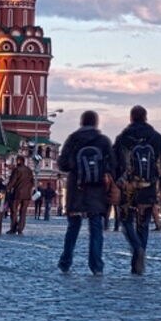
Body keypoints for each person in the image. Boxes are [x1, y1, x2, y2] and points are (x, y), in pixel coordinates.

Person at [57, 110, 114, 275]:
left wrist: (76, 168)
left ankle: (65, 261)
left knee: (73, 227)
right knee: (96, 229)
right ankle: (96, 266)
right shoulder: (103, 141)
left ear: (82, 122)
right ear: (96, 123)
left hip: (77, 189)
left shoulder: (73, 139)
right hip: (97, 191)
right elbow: (113, 164)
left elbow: (63, 164)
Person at [113, 105, 161, 275]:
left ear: (131, 118)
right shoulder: (156, 137)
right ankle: (140, 256)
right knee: (143, 225)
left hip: (128, 187)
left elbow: (114, 162)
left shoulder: (123, 137)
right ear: (146, 117)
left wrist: (117, 181)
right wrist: (159, 184)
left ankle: (137, 248)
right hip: (148, 187)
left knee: (126, 221)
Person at [6, 155, 35, 235]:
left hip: (18, 193)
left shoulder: (17, 170)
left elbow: (13, 181)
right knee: (23, 212)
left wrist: (7, 188)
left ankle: (13, 228)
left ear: (19, 161)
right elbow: (32, 181)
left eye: (17, 160)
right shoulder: (29, 170)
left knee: (14, 210)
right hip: (27, 194)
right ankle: (20, 228)